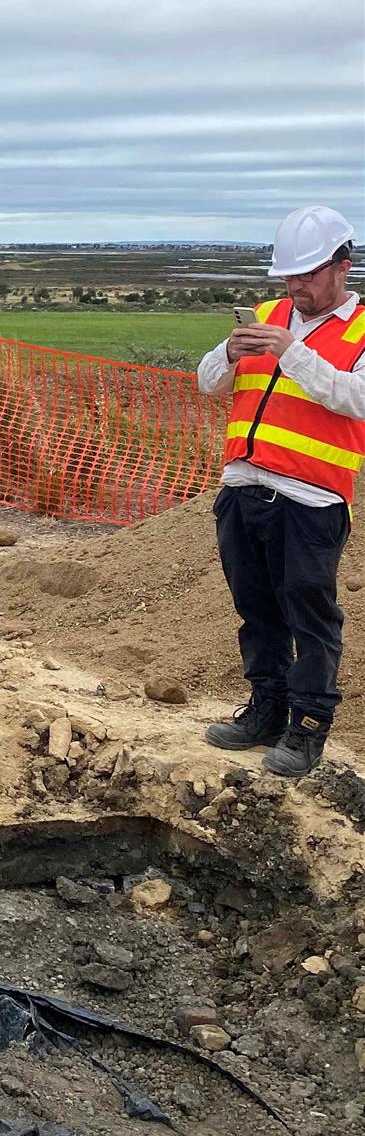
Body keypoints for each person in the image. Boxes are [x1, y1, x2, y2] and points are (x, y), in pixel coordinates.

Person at [196, 204, 364, 777]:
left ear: (343, 265)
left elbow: (353, 398)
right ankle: (265, 709)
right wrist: (227, 354)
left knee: (311, 616)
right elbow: (206, 384)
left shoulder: (361, 331)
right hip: (244, 486)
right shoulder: (268, 315)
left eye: (308, 274)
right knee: (257, 610)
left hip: (313, 500)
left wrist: (291, 352)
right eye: (288, 276)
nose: (296, 287)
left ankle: (308, 727)